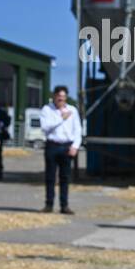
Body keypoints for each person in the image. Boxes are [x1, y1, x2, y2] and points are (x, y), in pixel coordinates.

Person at [39, 86, 81, 214]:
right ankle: (49, 204)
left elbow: (78, 130)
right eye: (59, 97)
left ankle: (64, 205)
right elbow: (45, 127)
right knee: (50, 177)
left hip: (67, 146)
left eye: (63, 98)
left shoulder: (72, 110)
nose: (61, 100)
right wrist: (61, 118)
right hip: (52, 145)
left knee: (65, 177)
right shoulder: (47, 109)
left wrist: (75, 146)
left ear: (66, 98)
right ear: (54, 96)